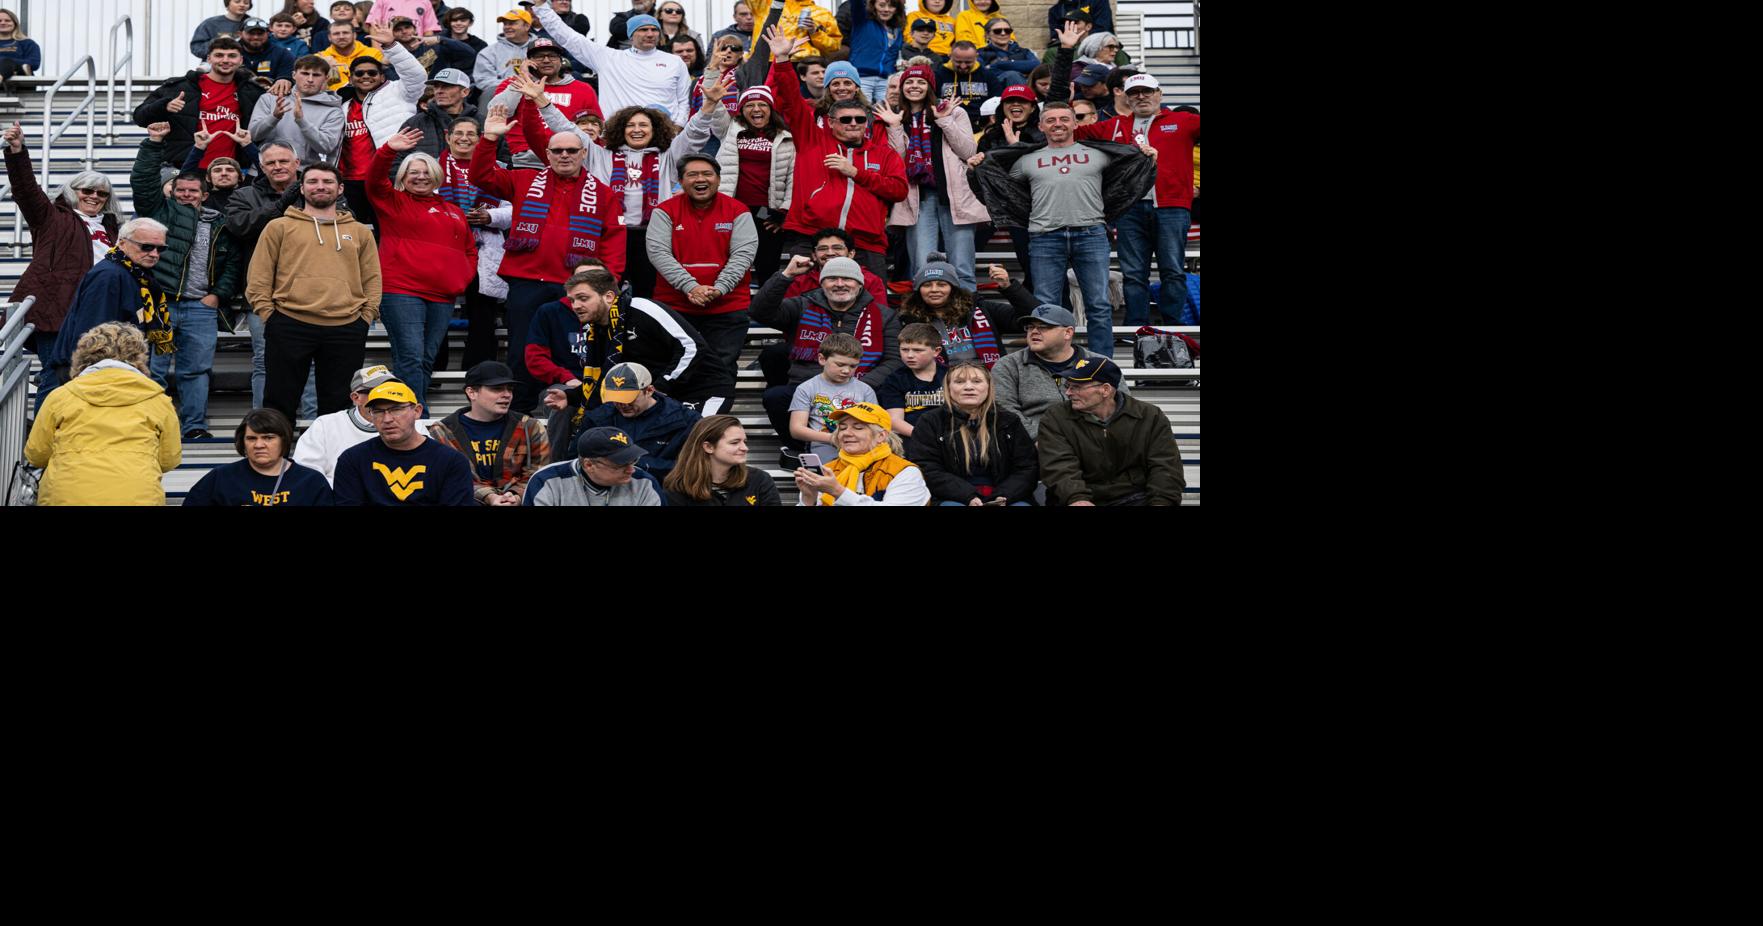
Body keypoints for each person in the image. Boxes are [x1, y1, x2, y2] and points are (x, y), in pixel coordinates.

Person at [511, 71, 722, 302]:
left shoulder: (668, 157)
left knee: (649, 298)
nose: (637, 129)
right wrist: (542, 101)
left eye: (644, 125)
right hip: (607, 236)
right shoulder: (598, 155)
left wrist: (708, 105)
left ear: (655, 130)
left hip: (652, 236)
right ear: (620, 129)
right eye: (630, 125)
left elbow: (694, 134)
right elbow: (567, 129)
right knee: (604, 297)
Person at [471, 102, 625, 413]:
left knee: (577, 351)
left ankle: (582, 408)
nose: (564, 155)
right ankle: (523, 412)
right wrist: (489, 139)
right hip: (527, 281)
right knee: (521, 351)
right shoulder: (524, 180)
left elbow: (612, 243)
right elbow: (481, 176)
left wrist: (608, 288)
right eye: (557, 151)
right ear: (548, 153)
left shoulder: (604, 194)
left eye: (571, 150)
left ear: (584, 153)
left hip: (576, 286)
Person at [970, 100, 1155, 357]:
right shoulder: (1027, 159)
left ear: (1075, 123)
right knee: (1046, 306)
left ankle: (1102, 364)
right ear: (1041, 126)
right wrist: (979, 167)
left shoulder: (1100, 154)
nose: (1058, 124)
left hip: (1090, 233)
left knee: (1099, 305)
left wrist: (1145, 158)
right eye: (1051, 120)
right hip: (1045, 236)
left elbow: (1127, 173)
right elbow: (999, 186)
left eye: (1064, 119)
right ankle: (1052, 362)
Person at [763, 27, 907, 281]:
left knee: (871, 305)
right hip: (810, 232)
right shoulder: (812, 138)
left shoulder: (882, 149)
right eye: (845, 119)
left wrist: (856, 172)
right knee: (804, 303)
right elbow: (789, 99)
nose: (852, 123)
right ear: (830, 122)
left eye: (859, 119)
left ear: (868, 122)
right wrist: (782, 61)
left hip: (865, 238)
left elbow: (898, 189)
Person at [246, 161, 383, 420]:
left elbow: (373, 278)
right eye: (313, 181)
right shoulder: (279, 227)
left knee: (339, 407)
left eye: (327, 181)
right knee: (279, 401)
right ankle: (277, 459)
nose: (320, 186)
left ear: (340, 188)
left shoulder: (358, 232)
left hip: (346, 325)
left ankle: (333, 461)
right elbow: (259, 277)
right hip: (289, 322)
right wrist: (269, 315)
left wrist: (366, 316)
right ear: (302, 188)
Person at [132, 124, 244, 439]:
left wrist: (217, 296)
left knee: (195, 371)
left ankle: (193, 427)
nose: (186, 195)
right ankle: (150, 427)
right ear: (172, 191)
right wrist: (154, 143)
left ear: (204, 195)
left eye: (193, 191)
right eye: (180, 189)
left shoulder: (221, 224)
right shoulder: (160, 215)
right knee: (153, 370)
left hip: (200, 309)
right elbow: (141, 182)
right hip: (161, 304)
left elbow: (233, 266)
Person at [752, 254, 901, 467]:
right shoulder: (803, 305)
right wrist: (786, 275)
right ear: (822, 283)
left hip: (862, 385)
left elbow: (894, 359)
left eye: (847, 279)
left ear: (859, 284)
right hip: (810, 385)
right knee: (776, 397)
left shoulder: (883, 315)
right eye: (832, 279)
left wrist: (860, 385)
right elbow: (759, 312)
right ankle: (800, 449)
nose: (840, 284)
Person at [1077, 73, 1199, 327]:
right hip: (1129, 208)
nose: (1141, 97)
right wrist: (1063, 100)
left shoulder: (1183, 121)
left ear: (1159, 93)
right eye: (1134, 93)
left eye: (1147, 91)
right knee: (1133, 274)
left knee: (1173, 271)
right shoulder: (1113, 126)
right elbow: (1067, 131)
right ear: (1125, 97)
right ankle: (1136, 327)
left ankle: (1173, 327)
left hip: (1171, 207)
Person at [367, 129, 477, 410]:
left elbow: (469, 249)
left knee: (426, 358)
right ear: (402, 177)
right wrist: (389, 149)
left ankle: (411, 410)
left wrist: (461, 279)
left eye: (426, 171)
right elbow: (374, 180)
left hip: (442, 295)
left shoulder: (453, 210)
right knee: (410, 357)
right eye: (413, 172)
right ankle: (416, 414)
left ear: (436, 176)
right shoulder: (393, 201)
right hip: (402, 292)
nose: (421, 176)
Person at [3, 121, 121, 373]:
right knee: (56, 375)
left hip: (99, 308)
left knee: (93, 377)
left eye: (102, 194)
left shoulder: (114, 229)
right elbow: (25, 190)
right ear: (73, 191)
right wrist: (17, 151)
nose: (94, 197)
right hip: (58, 309)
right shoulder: (52, 217)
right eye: (87, 190)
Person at [24, 323, 182, 506]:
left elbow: (36, 454)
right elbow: (169, 459)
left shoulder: (61, 396)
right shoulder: (158, 401)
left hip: (67, 496)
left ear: (83, 357)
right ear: (138, 358)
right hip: (137, 496)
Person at [647, 153, 756, 412]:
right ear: (681, 181)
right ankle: (673, 419)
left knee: (722, 366)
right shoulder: (665, 211)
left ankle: (714, 423)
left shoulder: (738, 210)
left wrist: (719, 288)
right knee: (673, 366)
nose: (700, 179)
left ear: (718, 179)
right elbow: (658, 253)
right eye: (692, 175)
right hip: (675, 307)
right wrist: (691, 287)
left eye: (707, 174)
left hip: (728, 307)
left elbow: (744, 254)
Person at [36, 219, 174, 406]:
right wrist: (96, 375)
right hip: (94, 373)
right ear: (123, 243)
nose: (154, 254)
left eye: (160, 249)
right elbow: (94, 333)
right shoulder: (109, 275)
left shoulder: (134, 273)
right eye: (146, 247)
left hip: (111, 369)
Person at [876, 62, 986, 288]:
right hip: (918, 198)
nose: (914, 86)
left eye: (921, 82)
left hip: (954, 195)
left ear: (930, 87)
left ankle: (966, 319)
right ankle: (924, 321)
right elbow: (897, 161)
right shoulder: (896, 117)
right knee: (922, 266)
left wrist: (944, 120)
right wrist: (895, 127)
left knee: (962, 266)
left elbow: (968, 151)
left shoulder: (953, 111)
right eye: (909, 82)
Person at [223, 141, 312, 412]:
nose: (278, 167)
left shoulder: (317, 189)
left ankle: (314, 424)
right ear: (261, 168)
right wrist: (282, 205)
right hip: (263, 294)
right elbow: (240, 227)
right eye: (271, 163)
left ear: (297, 163)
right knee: (264, 360)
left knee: (311, 360)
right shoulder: (244, 195)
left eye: (284, 161)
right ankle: (266, 423)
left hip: (309, 292)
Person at [1037, 356, 1184, 506]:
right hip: (1075, 499)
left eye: (1077, 387)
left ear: (1105, 390)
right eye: (1067, 385)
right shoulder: (1055, 418)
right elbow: (1060, 467)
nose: (1068, 392)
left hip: (1135, 497)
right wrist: (1077, 499)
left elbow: (1165, 466)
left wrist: (1161, 502)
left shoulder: (1149, 416)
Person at [429, 115, 513, 370]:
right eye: (459, 133)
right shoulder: (430, 167)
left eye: (471, 134)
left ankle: (478, 371)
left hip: (484, 246)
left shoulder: (498, 168)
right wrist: (452, 217)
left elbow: (515, 211)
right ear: (448, 137)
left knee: (483, 313)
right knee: (437, 311)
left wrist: (490, 216)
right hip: (445, 248)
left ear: (479, 140)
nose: (464, 138)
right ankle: (435, 368)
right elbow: (422, 206)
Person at [531, 1, 691, 127]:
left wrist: (678, 126)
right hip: (618, 139)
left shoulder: (675, 62)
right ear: (631, 34)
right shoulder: (608, 57)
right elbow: (568, 37)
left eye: (653, 29)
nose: (649, 34)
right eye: (642, 30)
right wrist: (541, 7)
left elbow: (684, 100)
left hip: (663, 138)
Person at [335, 24, 429, 228]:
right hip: (349, 181)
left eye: (372, 72)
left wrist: (392, 46)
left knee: (392, 229)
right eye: (359, 73)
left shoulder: (399, 92)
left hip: (388, 176)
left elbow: (418, 77)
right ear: (351, 78)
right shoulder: (341, 104)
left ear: (382, 76)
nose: (366, 76)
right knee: (354, 234)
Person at [906, 359, 1036, 505]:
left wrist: (1003, 496)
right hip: (952, 497)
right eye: (960, 382)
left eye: (977, 381)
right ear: (948, 388)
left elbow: (1027, 467)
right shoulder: (930, 422)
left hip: (1006, 497)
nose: (969, 387)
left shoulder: (1008, 421)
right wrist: (968, 496)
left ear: (989, 387)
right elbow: (927, 468)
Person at [423, 360, 551, 505]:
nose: (507, 395)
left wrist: (516, 495)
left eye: (510, 389)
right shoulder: (443, 431)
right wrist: (490, 497)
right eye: (497, 389)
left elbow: (538, 473)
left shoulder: (530, 427)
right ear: (472, 392)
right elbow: (451, 478)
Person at [990, 303, 1123, 439]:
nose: (1034, 331)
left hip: (1094, 441)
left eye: (1043, 327)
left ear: (1068, 333)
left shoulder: (1101, 363)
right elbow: (1005, 410)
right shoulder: (1008, 365)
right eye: (1030, 327)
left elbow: (1122, 405)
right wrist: (1044, 438)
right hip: (1034, 446)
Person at [134, 36, 268, 170]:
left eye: (232, 56)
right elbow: (140, 117)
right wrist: (164, 106)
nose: (225, 60)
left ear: (240, 60)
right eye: (219, 55)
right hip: (185, 170)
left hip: (230, 173)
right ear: (209, 59)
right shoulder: (179, 87)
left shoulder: (252, 92)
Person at [333, 379, 475, 505]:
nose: (387, 419)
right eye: (378, 411)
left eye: (396, 409)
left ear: (417, 411)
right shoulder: (353, 459)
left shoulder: (451, 461)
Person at [710, 86, 795, 283]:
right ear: (741, 110)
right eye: (749, 105)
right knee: (730, 265)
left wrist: (784, 210)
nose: (756, 109)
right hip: (732, 209)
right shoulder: (730, 129)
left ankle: (766, 311)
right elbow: (715, 110)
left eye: (761, 104)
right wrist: (713, 75)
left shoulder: (786, 137)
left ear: (771, 109)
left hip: (766, 213)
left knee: (768, 266)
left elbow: (793, 177)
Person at [292, 364, 430, 484]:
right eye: (376, 391)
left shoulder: (411, 423)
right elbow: (306, 475)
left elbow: (431, 467)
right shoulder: (325, 425)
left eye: (391, 389)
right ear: (355, 398)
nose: (385, 395)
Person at [486, 37, 602, 168]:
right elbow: (496, 112)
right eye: (539, 56)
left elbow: (597, 127)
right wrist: (523, 79)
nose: (546, 60)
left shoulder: (583, 89)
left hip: (570, 159)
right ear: (528, 61)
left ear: (561, 60)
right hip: (527, 162)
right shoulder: (513, 84)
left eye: (552, 56)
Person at [897, 258, 1035, 368]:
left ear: (953, 288)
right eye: (927, 285)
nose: (934, 289)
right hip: (938, 385)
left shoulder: (979, 309)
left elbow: (1034, 316)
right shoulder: (908, 320)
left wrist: (1008, 287)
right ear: (918, 290)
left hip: (988, 379)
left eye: (941, 284)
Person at [183, 408, 336, 505]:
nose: (259, 445)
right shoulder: (220, 478)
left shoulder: (311, 482)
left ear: (283, 440)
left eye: (268, 438)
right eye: (251, 438)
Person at [792, 402, 928, 506]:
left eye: (858, 427)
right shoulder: (829, 470)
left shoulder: (905, 472)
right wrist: (808, 499)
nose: (846, 433)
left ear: (881, 436)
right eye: (842, 427)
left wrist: (838, 492)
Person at [578, 361, 700, 477]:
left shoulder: (685, 420)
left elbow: (694, 467)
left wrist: (639, 465)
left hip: (662, 488)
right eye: (616, 399)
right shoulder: (598, 417)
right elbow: (577, 459)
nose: (623, 404)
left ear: (649, 391)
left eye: (628, 399)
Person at [787, 332, 878, 467]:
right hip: (823, 444)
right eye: (840, 364)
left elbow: (875, 425)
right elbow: (796, 429)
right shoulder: (807, 388)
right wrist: (834, 438)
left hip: (860, 446)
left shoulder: (865, 390)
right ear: (822, 359)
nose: (846, 371)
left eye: (853, 366)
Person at [522, 426, 664, 505]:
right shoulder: (548, 481)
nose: (631, 469)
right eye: (620, 464)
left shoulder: (645, 483)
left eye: (633, 461)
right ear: (589, 465)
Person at [661, 414, 782, 506]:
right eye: (734, 443)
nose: (745, 448)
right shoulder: (677, 488)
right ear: (708, 447)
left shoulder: (759, 479)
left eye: (744, 442)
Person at [247, 54, 345, 165]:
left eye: (316, 75)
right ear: (294, 75)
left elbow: (326, 147)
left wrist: (301, 121)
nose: (310, 79)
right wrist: (274, 117)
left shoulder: (333, 110)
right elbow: (253, 136)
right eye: (305, 73)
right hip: (265, 169)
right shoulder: (270, 98)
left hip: (304, 173)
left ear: (326, 78)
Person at [875, 322, 943, 438]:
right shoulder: (894, 380)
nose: (910, 355)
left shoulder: (951, 376)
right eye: (905, 350)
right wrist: (927, 437)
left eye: (918, 350)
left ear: (936, 351)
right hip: (912, 438)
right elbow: (895, 422)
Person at [396, 68, 477, 161]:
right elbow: (397, 161)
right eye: (436, 86)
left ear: (465, 92)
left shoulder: (482, 122)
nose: (439, 91)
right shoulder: (415, 123)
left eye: (446, 86)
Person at [470, 8, 535, 103]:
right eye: (505, 24)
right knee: (488, 93)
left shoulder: (542, 48)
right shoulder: (488, 52)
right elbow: (483, 80)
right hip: (502, 96)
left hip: (538, 92)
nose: (507, 27)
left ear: (527, 26)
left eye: (512, 23)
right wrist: (515, 85)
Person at [848, 0, 905, 105]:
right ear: (873, 6)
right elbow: (856, 3)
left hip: (886, 80)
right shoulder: (862, 21)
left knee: (886, 112)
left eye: (891, 6)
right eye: (882, 5)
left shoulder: (897, 30)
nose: (886, 9)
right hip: (862, 77)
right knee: (862, 112)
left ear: (897, 10)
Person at [387, 15, 478, 80]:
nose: (404, 31)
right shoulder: (394, 56)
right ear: (393, 35)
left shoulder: (436, 44)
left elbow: (470, 53)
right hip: (416, 96)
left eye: (407, 27)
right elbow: (397, 82)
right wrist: (385, 66)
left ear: (415, 30)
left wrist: (440, 39)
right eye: (398, 29)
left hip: (442, 90)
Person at [315, 20, 381, 91]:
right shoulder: (320, 58)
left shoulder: (373, 54)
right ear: (329, 37)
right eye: (336, 34)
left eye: (345, 33)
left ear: (355, 35)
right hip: (334, 100)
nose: (341, 37)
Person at [975, 16, 1037, 83]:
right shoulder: (981, 53)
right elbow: (981, 72)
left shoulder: (1024, 52)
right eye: (997, 31)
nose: (1003, 33)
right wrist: (1022, 69)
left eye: (1007, 31)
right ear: (987, 35)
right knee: (1012, 75)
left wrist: (998, 64)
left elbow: (1036, 65)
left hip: (1024, 88)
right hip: (996, 89)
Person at [239, 17, 298, 85]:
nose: (256, 37)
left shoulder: (282, 54)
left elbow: (287, 77)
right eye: (251, 33)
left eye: (260, 33)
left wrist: (284, 79)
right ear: (240, 34)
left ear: (268, 34)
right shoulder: (230, 53)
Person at [192, 0, 257, 60]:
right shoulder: (210, 24)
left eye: (246, 3)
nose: (242, 5)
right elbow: (196, 48)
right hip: (216, 68)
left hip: (247, 67)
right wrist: (218, 41)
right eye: (237, 1)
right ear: (227, 3)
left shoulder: (255, 24)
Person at [0, 9, 41, 87]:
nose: (3, 23)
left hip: (21, 82)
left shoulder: (27, 43)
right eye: (0, 21)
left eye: (7, 20)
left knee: (6, 62)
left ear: (15, 24)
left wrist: (10, 63)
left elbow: (34, 63)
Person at [363, 0, 441, 36]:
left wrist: (425, 50)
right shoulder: (382, 0)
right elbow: (374, 27)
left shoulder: (425, 2)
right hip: (389, 49)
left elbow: (428, 31)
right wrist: (379, 52)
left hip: (416, 50)